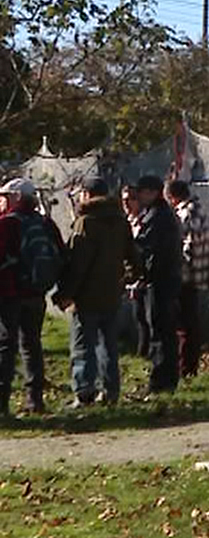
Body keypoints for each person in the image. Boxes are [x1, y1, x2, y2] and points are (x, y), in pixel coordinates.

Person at [54, 176, 136, 407]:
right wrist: (124, 279)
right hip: (111, 294)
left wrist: (65, 294)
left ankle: (84, 392)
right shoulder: (121, 221)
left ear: (87, 195)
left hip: (86, 296)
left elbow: (78, 265)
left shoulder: (86, 223)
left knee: (83, 346)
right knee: (108, 345)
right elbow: (133, 257)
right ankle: (111, 391)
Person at [0, 179, 63, 415]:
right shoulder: (45, 223)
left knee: (6, 347)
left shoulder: (6, 224)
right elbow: (61, 255)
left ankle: (2, 404)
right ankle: (35, 399)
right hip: (37, 294)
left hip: (9, 294)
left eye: (4, 196)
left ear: (16, 197)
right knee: (32, 345)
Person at [130, 174, 183, 396]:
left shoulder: (159, 217)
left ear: (153, 192)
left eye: (142, 192)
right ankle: (164, 378)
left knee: (160, 331)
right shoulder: (157, 214)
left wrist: (141, 271)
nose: (138, 197)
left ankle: (161, 380)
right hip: (162, 279)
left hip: (161, 281)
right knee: (161, 330)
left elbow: (148, 248)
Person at [166, 179, 209, 379]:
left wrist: (179, 267)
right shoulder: (202, 210)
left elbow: (187, 245)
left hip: (185, 275)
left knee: (183, 324)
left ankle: (185, 367)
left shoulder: (184, 214)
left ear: (172, 197)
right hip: (201, 272)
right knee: (192, 321)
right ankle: (191, 366)